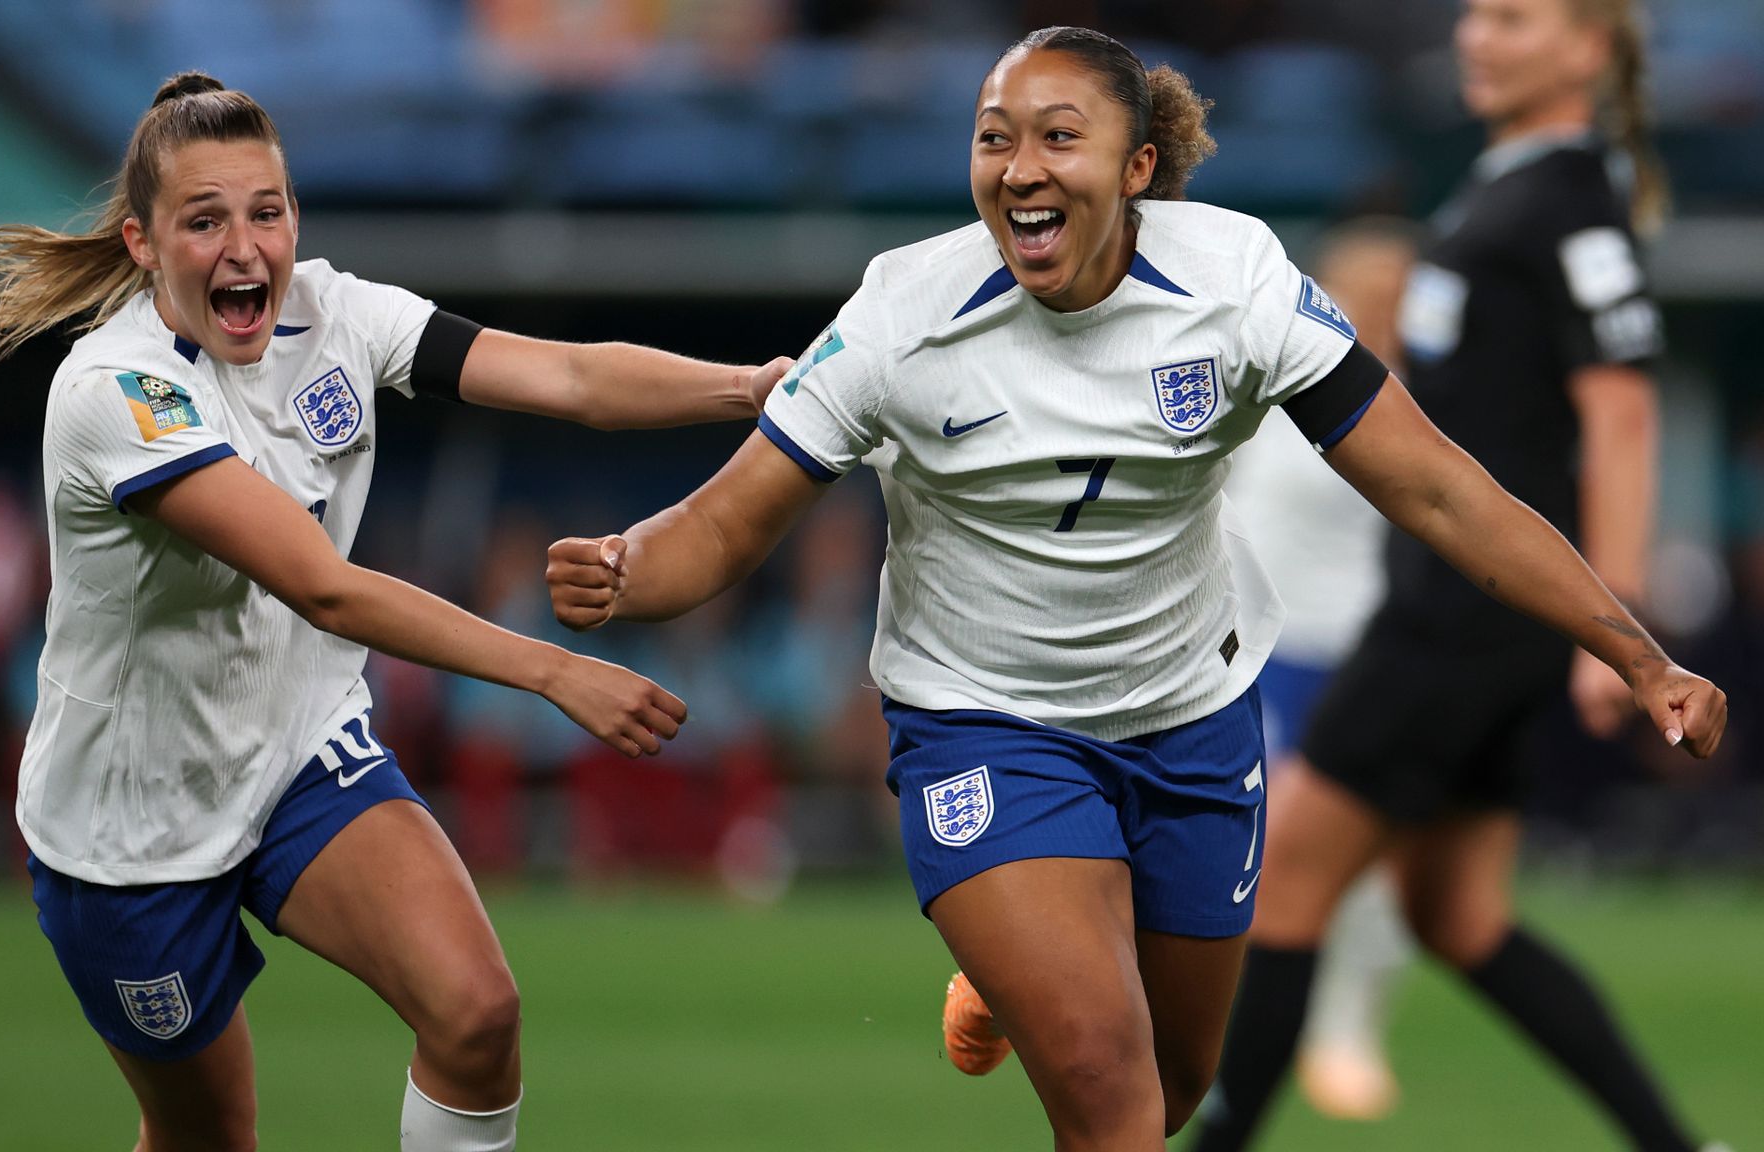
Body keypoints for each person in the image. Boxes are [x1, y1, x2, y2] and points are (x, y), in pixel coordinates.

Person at [542, 26, 1725, 1151]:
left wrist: (1636, 651)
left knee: (1164, 1091)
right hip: (983, 723)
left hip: (1187, 719)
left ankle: (1017, 969)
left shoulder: (1235, 283)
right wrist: (625, 570)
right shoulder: (901, 313)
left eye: (1058, 137)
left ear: (1139, 167)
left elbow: (1439, 494)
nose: (1017, 169)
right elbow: (723, 524)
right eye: (992, 136)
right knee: (1108, 1085)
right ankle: (1026, 937)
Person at [0, 72, 789, 1152]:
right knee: (209, 1135)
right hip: (131, 826)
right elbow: (323, 585)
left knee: (477, 1013)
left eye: (267, 211)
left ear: (294, 217)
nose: (245, 247)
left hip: (299, 751)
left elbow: (571, 379)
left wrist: (750, 389)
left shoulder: (335, 312)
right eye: (203, 221)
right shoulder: (114, 393)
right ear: (142, 243)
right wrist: (552, 670)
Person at [1187, 3, 1728, 1151]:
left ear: (1587, 49)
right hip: (1462, 616)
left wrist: (1615, 633)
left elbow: (1619, 412)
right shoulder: (1501, 191)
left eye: (1513, 18)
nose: (1478, 37)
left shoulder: (1566, 205)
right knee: (1457, 914)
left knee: (1283, 892)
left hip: (1456, 619)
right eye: (1475, 16)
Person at [1220, 218, 1416, 1121]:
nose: (1387, 307)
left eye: (1400, 292)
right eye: (1371, 289)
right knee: (1245, 847)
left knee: (1370, 862)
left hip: (1371, 654)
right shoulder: (1279, 377)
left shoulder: (1425, 406)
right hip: (1264, 649)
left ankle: (1347, 1030)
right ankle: (1229, 1023)